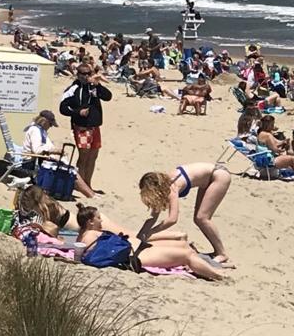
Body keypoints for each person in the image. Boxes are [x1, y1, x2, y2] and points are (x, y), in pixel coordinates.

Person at [76, 206, 224, 281]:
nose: (101, 221)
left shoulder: (83, 236)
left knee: (184, 247)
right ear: (90, 222)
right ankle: (218, 276)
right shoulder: (91, 234)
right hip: (138, 256)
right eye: (98, 218)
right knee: (187, 255)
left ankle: (209, 267)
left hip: (139, 249)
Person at [138, 163, 233, 265]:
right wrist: (141, 235)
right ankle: (217, 252)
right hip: (208, 178)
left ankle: (222, 254)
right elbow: (153, 217)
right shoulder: (163, 187)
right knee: (199, 218)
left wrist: (151, 233)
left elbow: (172, 219)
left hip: (219, 175)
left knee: (202, 218)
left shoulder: (171, 187)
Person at [59, 65, 113, 194]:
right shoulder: (74, 88)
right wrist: (78, 112)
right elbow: (63, 108)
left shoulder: (94, 86)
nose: (86, 76)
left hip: (95, 126)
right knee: (84, 156)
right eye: (83, 74)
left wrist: (98, 85)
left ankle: (88, 184)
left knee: (93, 156)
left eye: (88, 73)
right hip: (82, 127)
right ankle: (80, 185)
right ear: (78, 74)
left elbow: (108, 96)